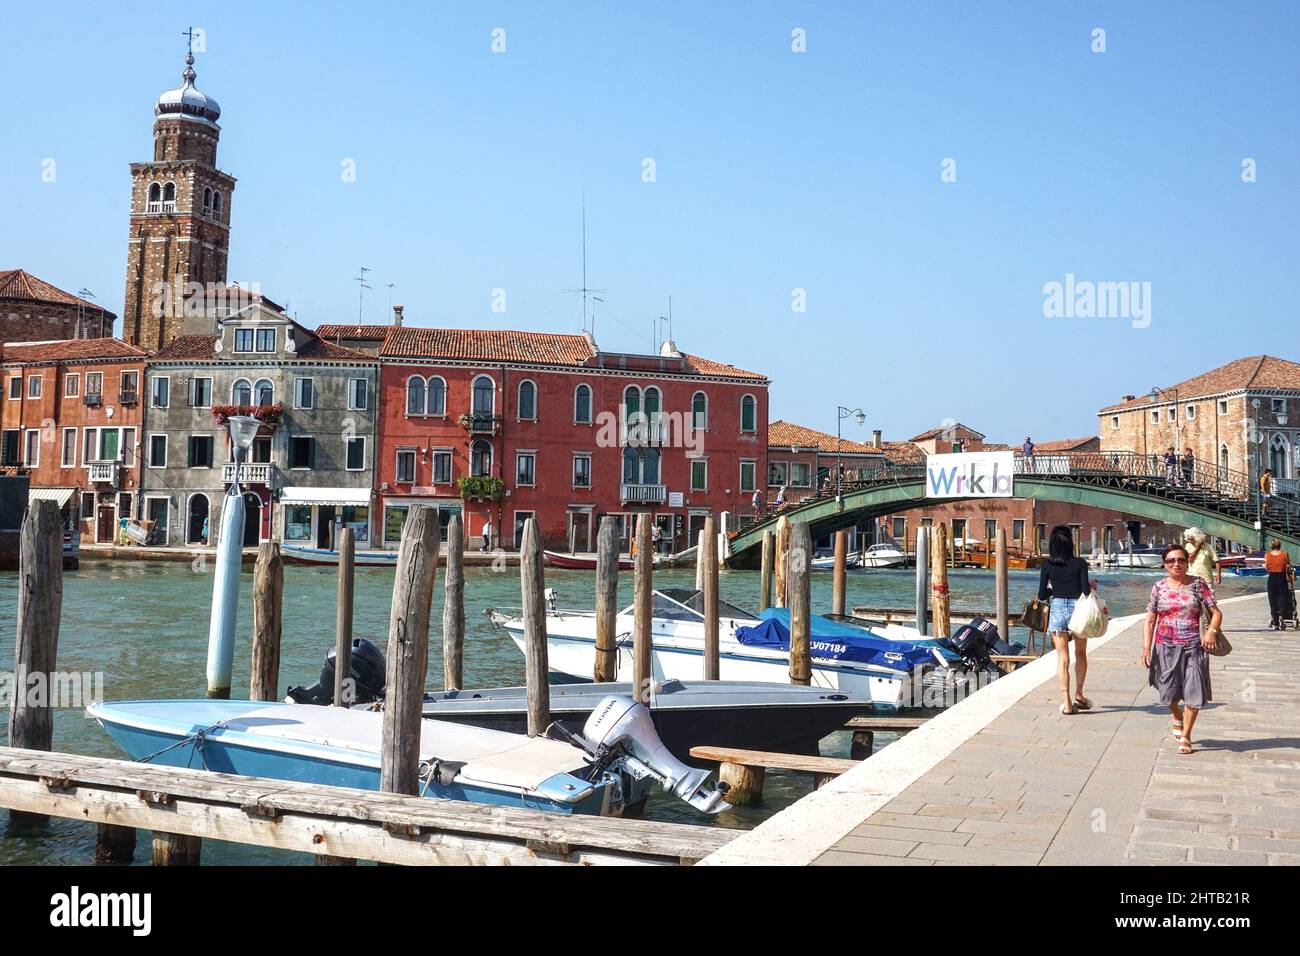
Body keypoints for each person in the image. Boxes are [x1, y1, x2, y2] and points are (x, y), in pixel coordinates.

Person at [1142, 544, 1222, 754]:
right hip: (1165, 647)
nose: (1176, 564)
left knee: (1194, 694)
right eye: (1171, 561)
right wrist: (1146, 648)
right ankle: (1177, 716)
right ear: (1165, 565)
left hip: (1194, 647)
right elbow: (1150, 619)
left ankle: (1186, 736)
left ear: (1187, 562)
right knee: (1167, 695)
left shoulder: (1198, 584)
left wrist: (1211, 632)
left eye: (1180, 560)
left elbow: (1216, 612)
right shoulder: (1158, 587)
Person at [1037, 524, 1095, 715]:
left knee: (1063, 658)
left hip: (1059, 608)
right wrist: (1089, 584)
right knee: (1080, 654)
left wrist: (1056, 590)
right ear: (1070, 542)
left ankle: (1067, 702)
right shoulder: (1080, 563)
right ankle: (1079, 693)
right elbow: (1085, 591)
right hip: (1079, 610)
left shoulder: (1047, 565)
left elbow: (1042, 595)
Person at [1264, 539, 1295, 630]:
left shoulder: (1267, 555)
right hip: (1282, 578)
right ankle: (1282, 615)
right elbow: (1289, 565)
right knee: (1282, 598)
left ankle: (1276, 622)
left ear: (1271, 546)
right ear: (1279, 545)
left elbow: (1267, 568)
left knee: (1272, 600)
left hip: (1272, 578)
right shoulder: (1285, 554)